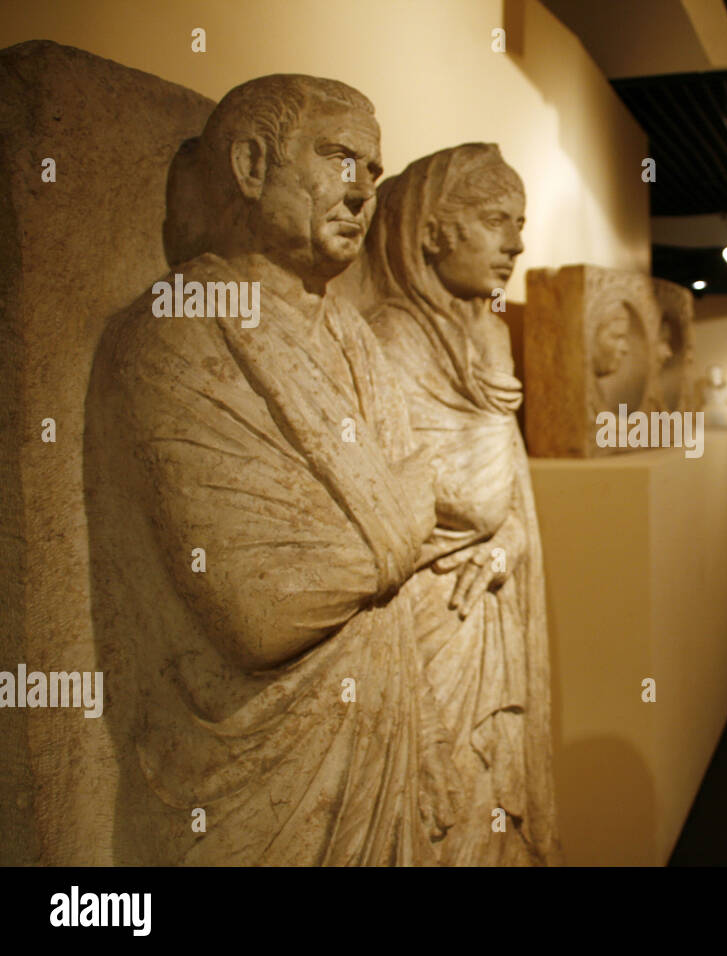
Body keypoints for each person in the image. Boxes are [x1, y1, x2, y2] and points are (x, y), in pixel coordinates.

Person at [85, 75, 445, 864]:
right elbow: (259, 609)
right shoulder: (173, 336)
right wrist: (401, 527)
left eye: (374, 175)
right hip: (255, 777)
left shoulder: (354, 339)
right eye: (339, 157)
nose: (360, 193)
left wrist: (390, 523)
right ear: (251, 165)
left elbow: (426, 489)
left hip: (382, 743)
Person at [351, 143, 561, 865]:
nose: (518, 242)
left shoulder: (491, 335)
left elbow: (510, 503)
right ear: (434, 231)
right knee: (439, 812)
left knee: (490, 793)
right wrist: (479, 531)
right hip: (425, 614)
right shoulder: (387, 341)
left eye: (521, 222)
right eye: (497, 220)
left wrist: (503, 547)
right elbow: (405, 509)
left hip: (485, 605)